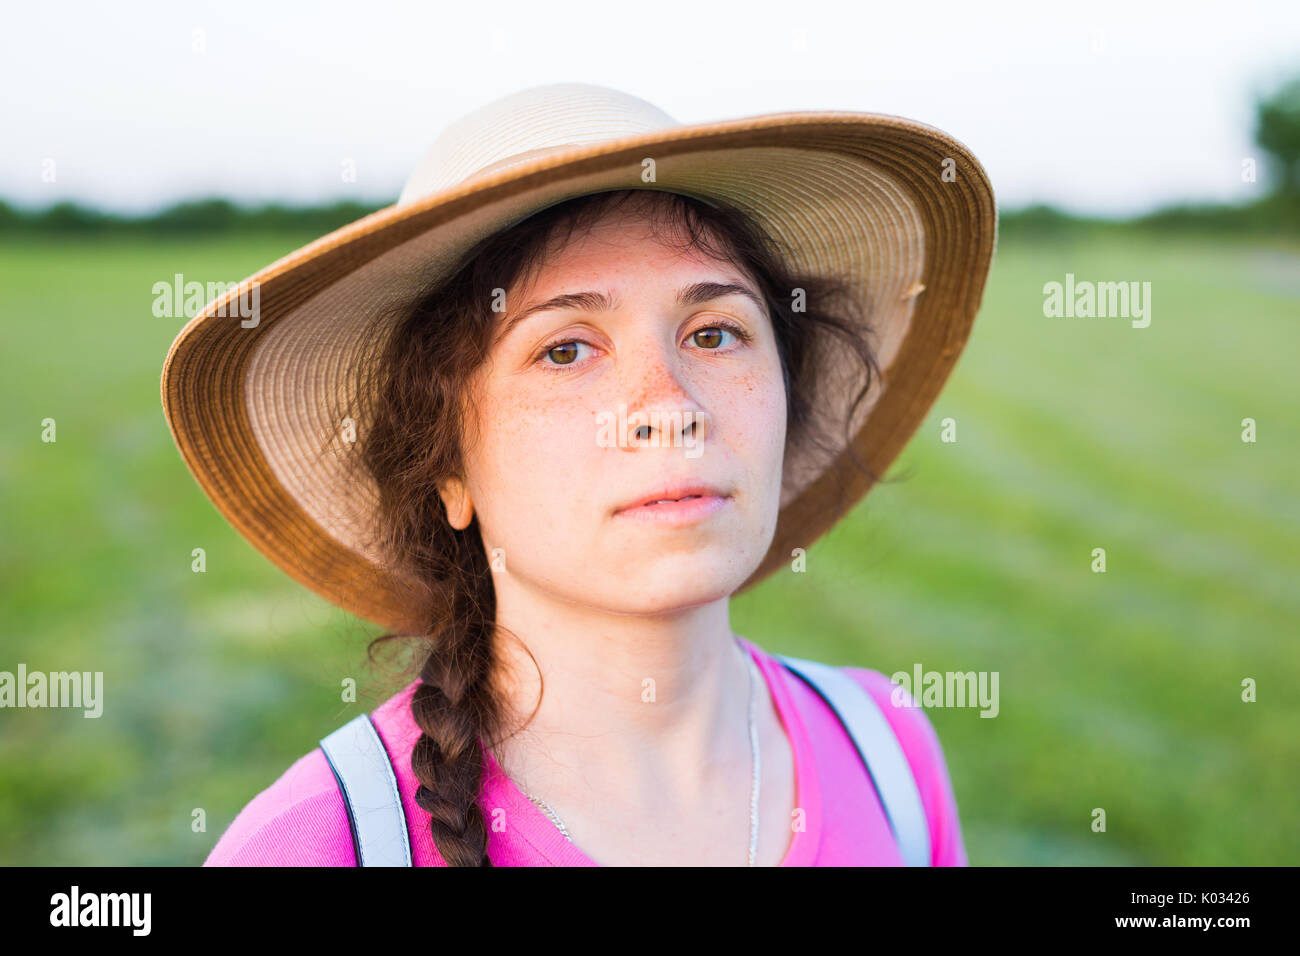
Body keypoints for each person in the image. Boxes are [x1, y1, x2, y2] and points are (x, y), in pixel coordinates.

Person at [162, 83, 997, 866]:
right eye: (564, 350)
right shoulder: (317, 844)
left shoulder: (885, 747)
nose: (668, 407)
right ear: (446, 467)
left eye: (714, 332)